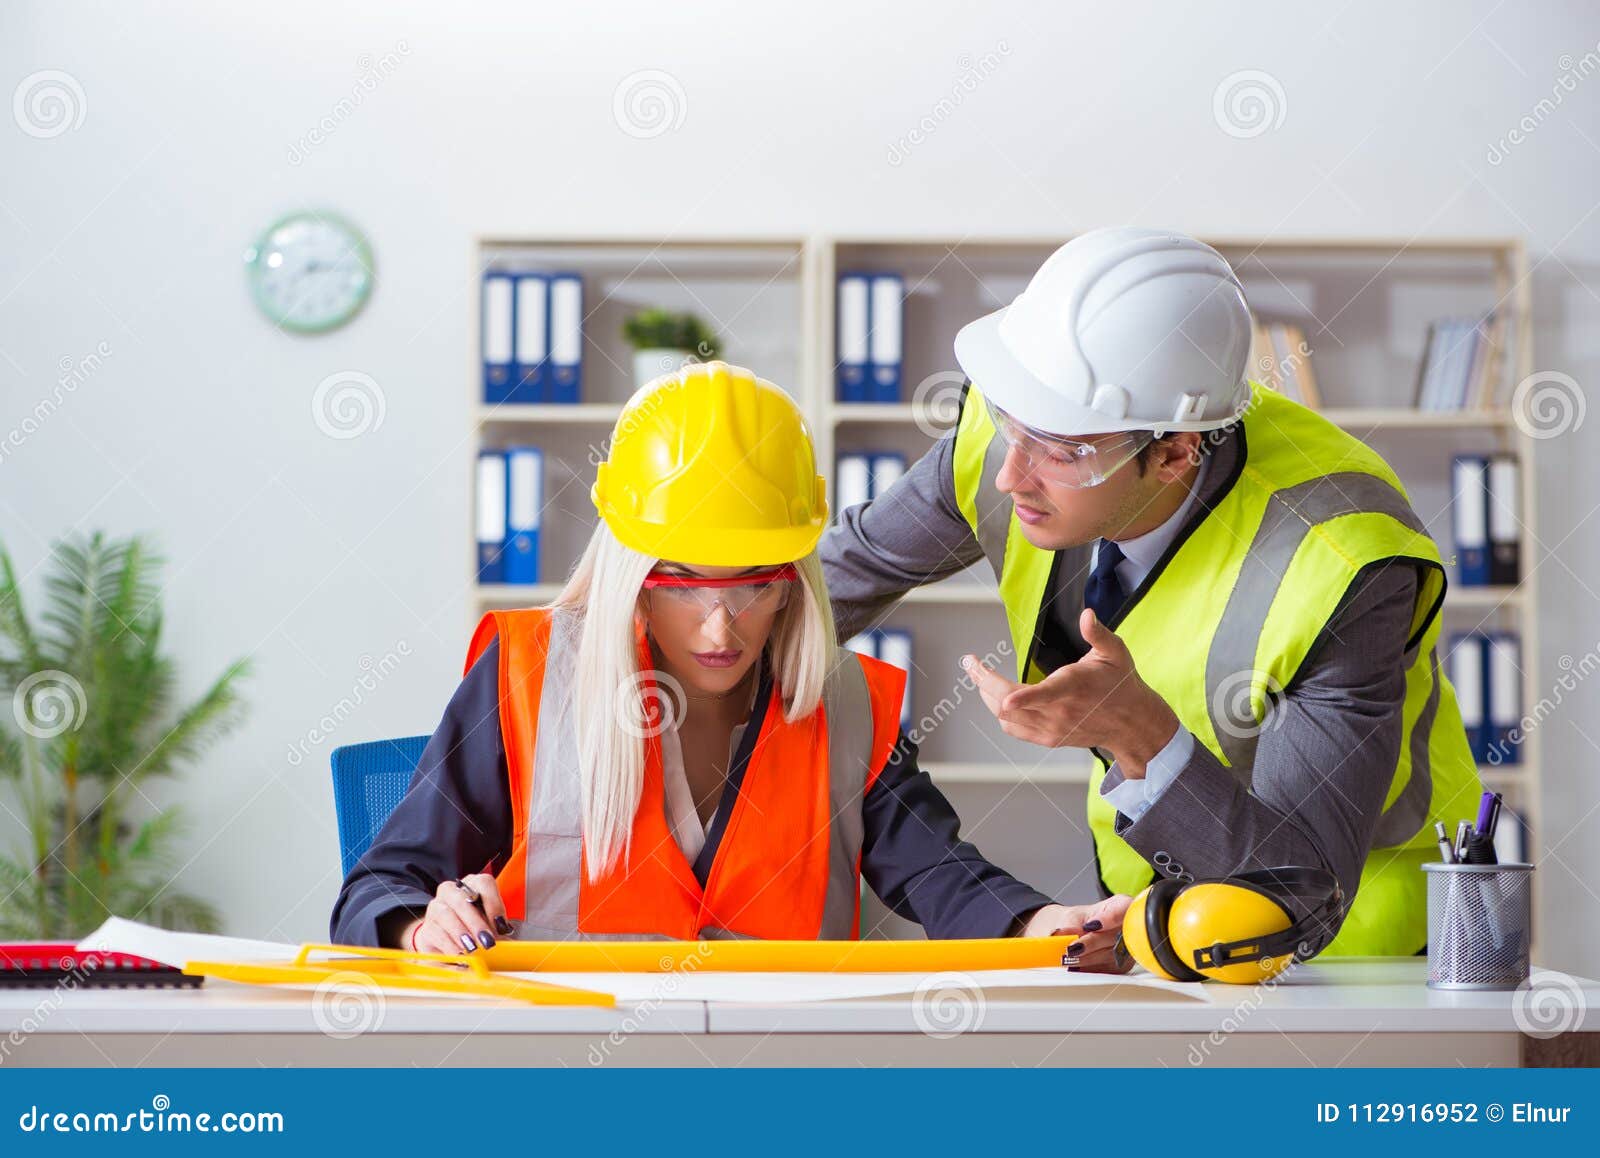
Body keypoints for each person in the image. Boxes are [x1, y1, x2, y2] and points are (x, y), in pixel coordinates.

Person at [819, 227, 1483, 958]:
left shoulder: (1342, 566)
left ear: (1172, 452)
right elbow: (821, 591)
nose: (1012, 476)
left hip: (1357, 952)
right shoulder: (1017, 431)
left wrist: (1140, 735)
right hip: (1149, 908)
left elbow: (1302, 898)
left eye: (1062, 450)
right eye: (1014, 425)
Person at [332, 362, 1123, 959]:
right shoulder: (525, 677)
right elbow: (376, 890)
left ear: (794, 580)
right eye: (684, 587)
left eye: (754, 587)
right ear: (634, 583)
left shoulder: (844, 703)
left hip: (771, 1072)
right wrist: (418, 924)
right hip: (561, 1072)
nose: (721, 628)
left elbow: (937, 871)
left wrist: (1037, 922)